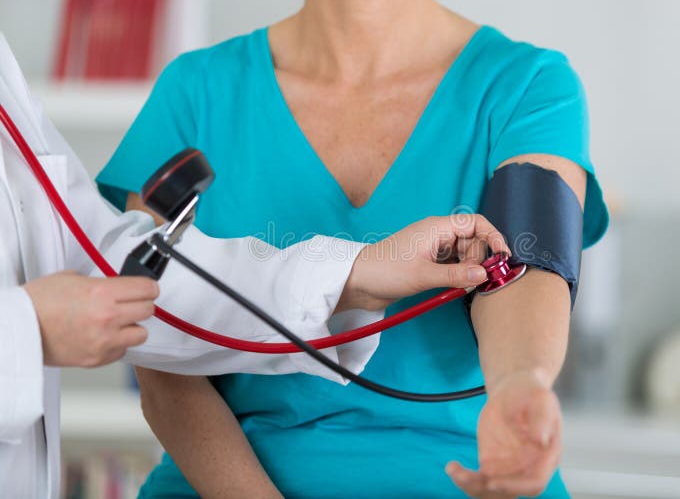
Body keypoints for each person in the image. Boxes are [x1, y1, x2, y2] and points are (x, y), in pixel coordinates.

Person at [97, 0, 610, 497]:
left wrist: (521, 383)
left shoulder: (529, 84)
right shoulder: (196, 91)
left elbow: (524, 271)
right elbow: (158, 349)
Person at [0, 32, 510, 499]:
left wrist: (360, 273)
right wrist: (24, 330)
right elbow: (153, 367)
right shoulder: (198, 84)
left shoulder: (515, 79)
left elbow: (101, 263)